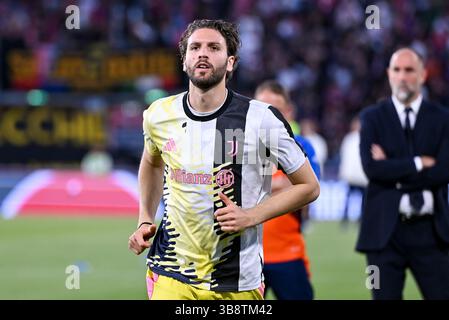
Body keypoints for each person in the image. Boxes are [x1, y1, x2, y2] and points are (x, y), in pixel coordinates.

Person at [128, 19, 320, 300]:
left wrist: (251, 216)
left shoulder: (261, 119)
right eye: (195, 47)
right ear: (184, 61)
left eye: (213, 47)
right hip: (169, 271)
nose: (202, 53)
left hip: (237, 280)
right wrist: (145, 218)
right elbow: (152, 162)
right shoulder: (159, 114)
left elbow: (309, 186)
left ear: (230, 62)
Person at [357, 47, 449, 300]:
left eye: (409, 70)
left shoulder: (443, 119)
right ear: (388, 74)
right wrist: (419, 163)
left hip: (432, 232)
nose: (402, 77)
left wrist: (392, 170)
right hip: (385, 234)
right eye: (397, 70)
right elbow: (372, 169)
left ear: (423, 75)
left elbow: (443, 171)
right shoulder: (372, 117)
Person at [254, 80, 320, 300]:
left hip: (287, 253)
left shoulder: (301, 145)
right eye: (263, 108)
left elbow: (309, 191)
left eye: (276, 110)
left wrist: (256, 184)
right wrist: (284, 184)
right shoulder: (239, 145)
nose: (268, 116)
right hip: (246, 255)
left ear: (288, 112)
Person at [338, 117, 368, 226]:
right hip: (352, 175)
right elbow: (345, 157)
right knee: (348, 198)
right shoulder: (349, 138)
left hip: (361, 175)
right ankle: (345, 218)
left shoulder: (365, 138)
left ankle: (361, 217)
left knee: (363, 199)